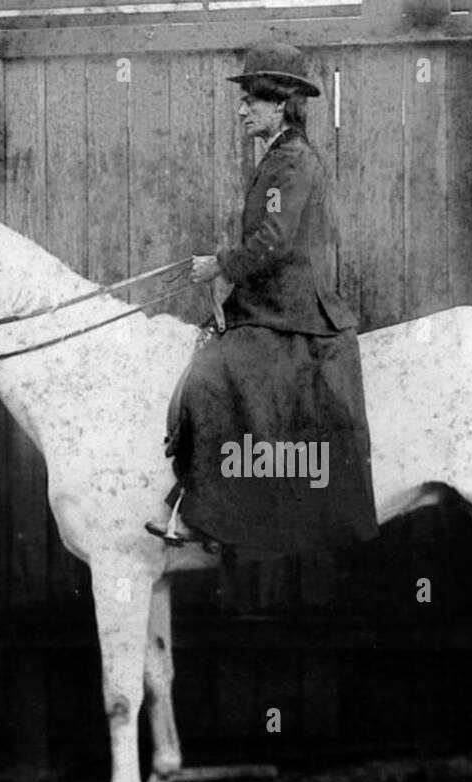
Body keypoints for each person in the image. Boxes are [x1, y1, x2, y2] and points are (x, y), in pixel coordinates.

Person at [147, 43, 379, 554]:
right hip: (274, 301)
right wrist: (222, 264)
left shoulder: (292, 161)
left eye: (251, 100)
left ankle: (210, 516)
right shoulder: (280, 156)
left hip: (293, 309)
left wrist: (220, 264)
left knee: (211, 379)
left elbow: (273, 239)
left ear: (279, 105)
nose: (242, 109)